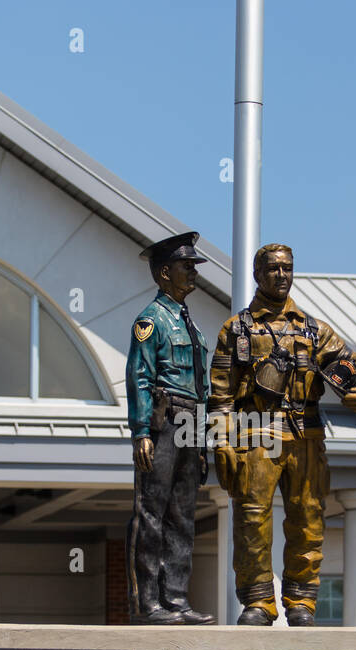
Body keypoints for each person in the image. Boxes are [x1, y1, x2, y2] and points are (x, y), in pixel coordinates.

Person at [210, 243, 356, 626]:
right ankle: (258, 602)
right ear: (258, 273)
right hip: (256, 437)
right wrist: (222, 441)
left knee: (307, 520)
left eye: (287, 268)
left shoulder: (314, 330)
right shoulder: (236, 329)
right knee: (252, 521)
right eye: (273, 268)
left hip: (306, 439)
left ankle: (301, 602)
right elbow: (220, 394)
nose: (282, 275)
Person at [125, 232, 215, 625]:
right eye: (186, 265)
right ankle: (149, 602)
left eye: (194, 265)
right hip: (164, 422)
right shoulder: (151, 321)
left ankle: (177, 599)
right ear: (165, 273)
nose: (193, 272)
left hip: (192, 422)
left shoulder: (190, 324)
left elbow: (202, 385)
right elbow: (140, 377)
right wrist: (141, 431)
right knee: (152, 512)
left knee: (183, 514)